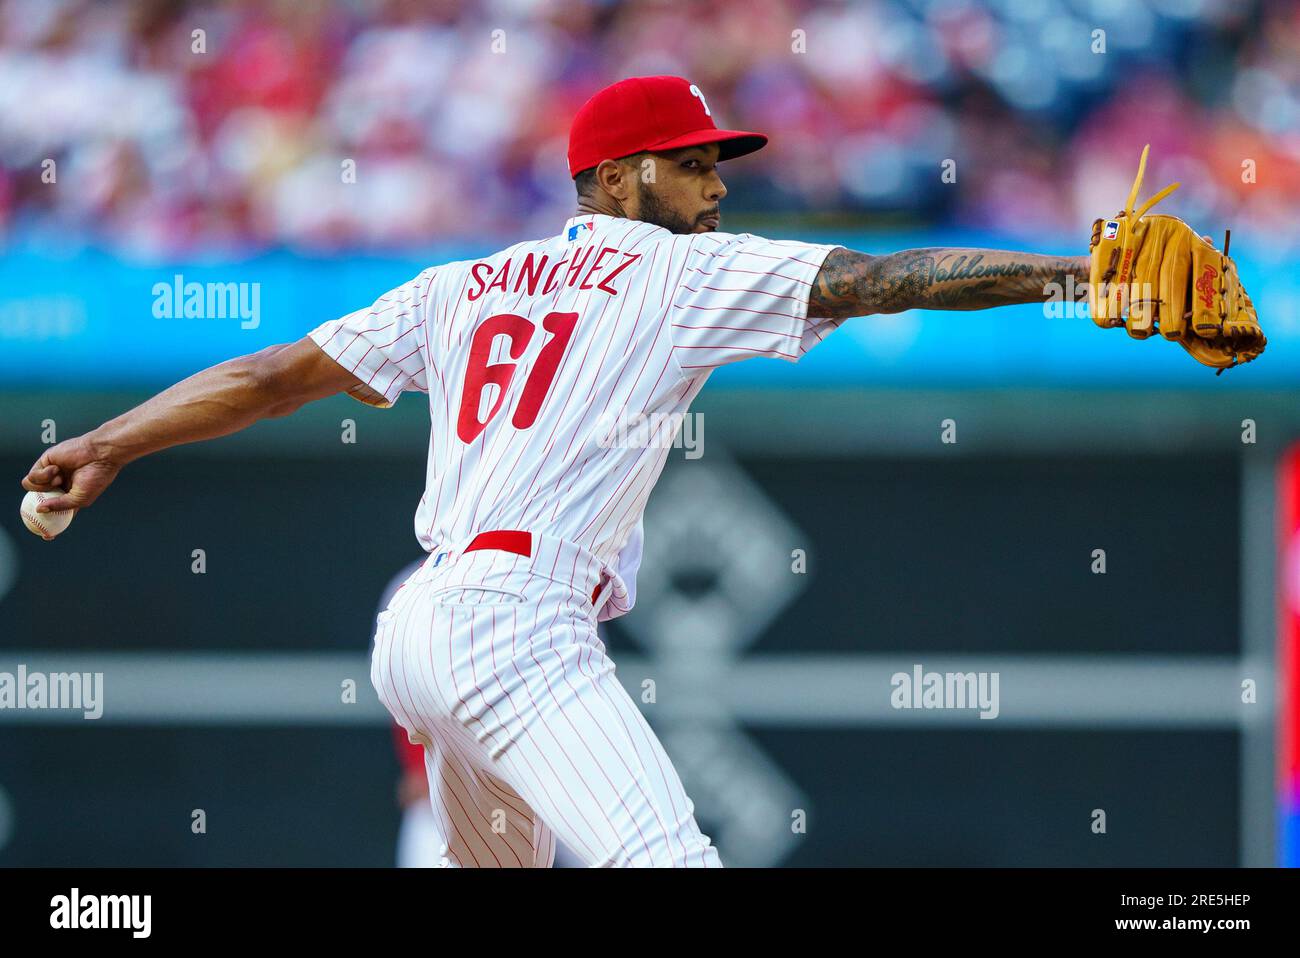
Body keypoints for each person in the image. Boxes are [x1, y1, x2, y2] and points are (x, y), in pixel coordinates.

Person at [23, 75, 1112, 867]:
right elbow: (888, 279)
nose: (715, 187)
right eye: (692, 164)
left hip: (419, 624)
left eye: (715, 165)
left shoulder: (462, 284)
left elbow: (270, 377)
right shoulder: (679, 274)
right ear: (621, 177)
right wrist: (1084, 275)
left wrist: (107, 442)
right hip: (515, 621)